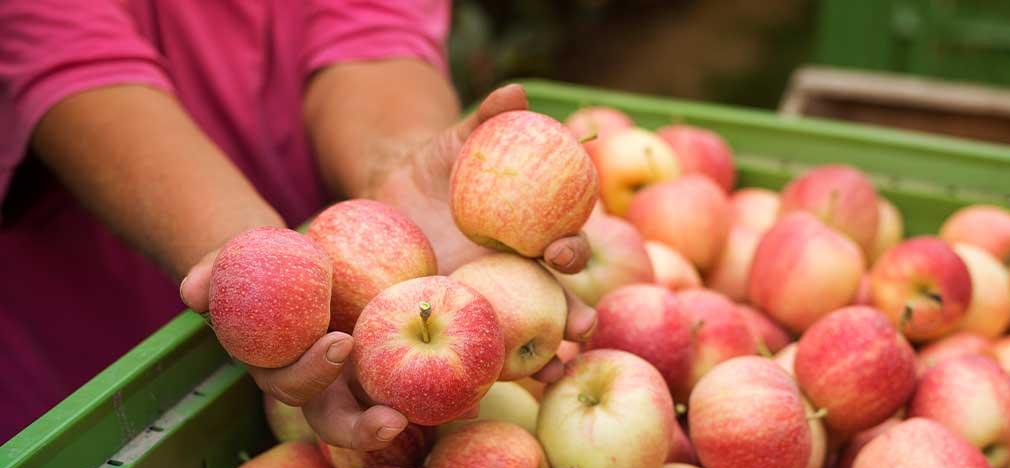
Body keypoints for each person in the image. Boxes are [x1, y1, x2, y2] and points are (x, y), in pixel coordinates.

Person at [0, 1, 594, 445]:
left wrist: (393, 166)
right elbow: (71, 65)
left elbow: (371, 29)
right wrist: (255, 263)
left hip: (332, 292)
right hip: (102, 331)